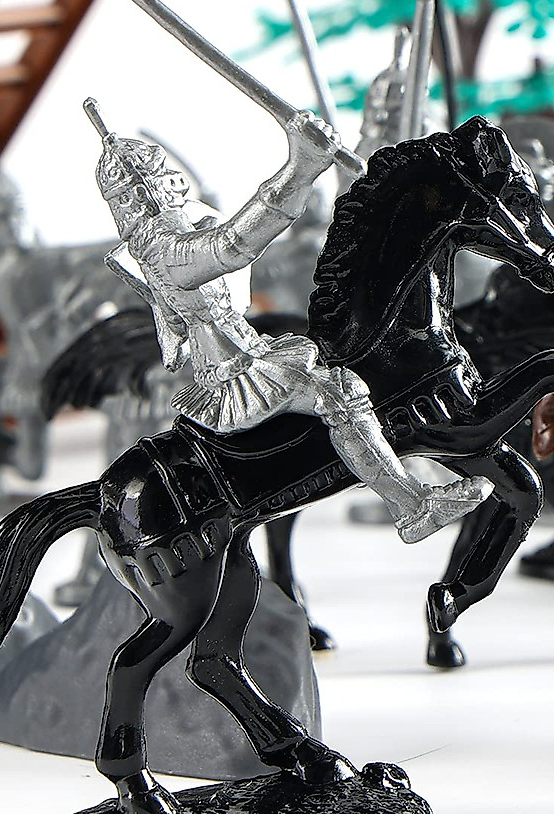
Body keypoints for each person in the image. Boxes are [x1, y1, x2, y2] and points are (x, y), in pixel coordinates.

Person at [89, 99, 491, 542]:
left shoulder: (175, 236)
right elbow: (233, 246)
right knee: (341, 392)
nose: (161, 187)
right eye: (145, 184)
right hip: (234, 372)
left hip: (251, 350)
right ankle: (411, 506)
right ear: (135, 200)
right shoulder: (167, 250)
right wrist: (302, 166)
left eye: (156, 176)